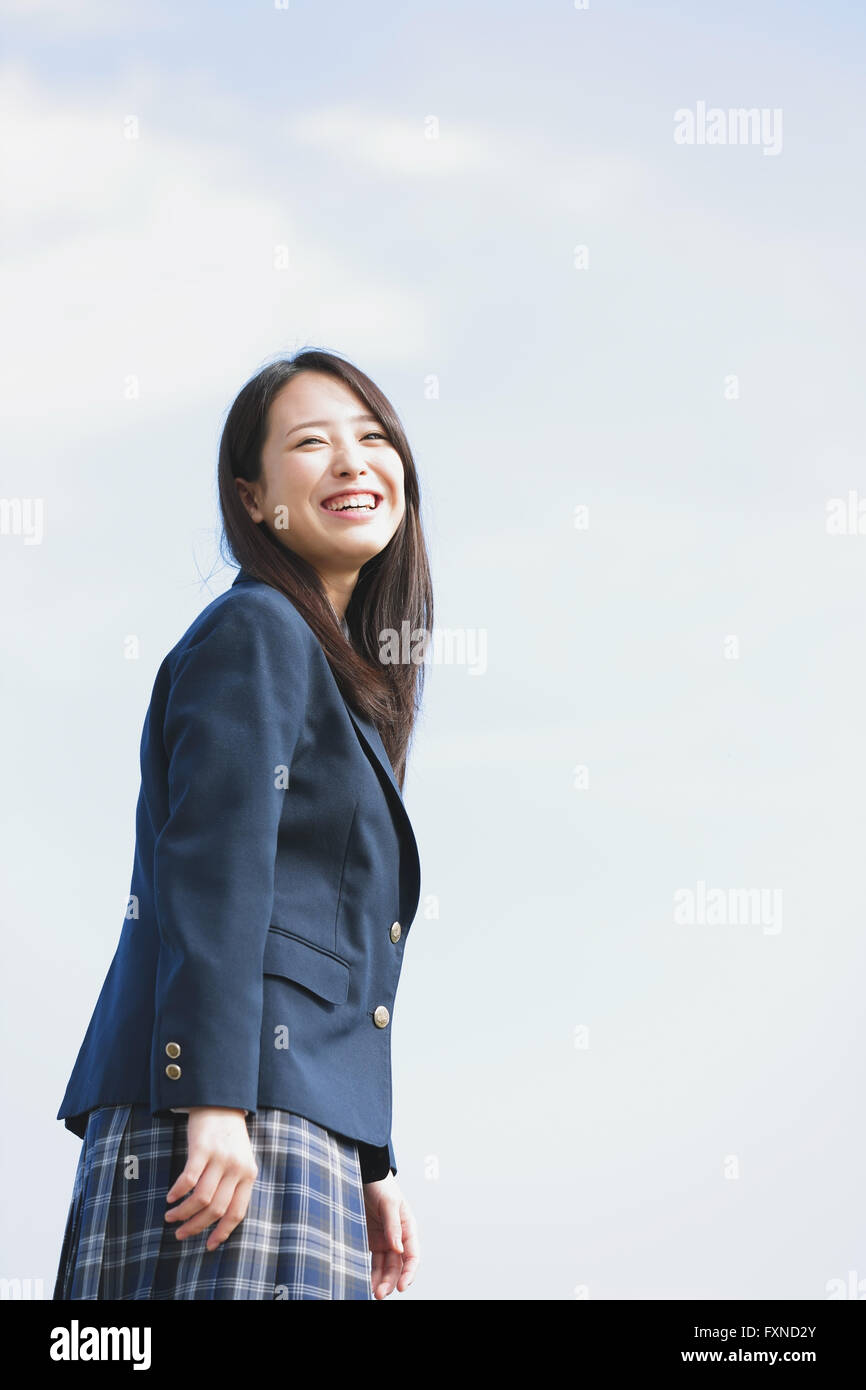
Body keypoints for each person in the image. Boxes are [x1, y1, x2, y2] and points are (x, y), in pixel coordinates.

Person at [52, 348, 433, 1300]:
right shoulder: (257, 631)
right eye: (312, 443)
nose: (353, 462)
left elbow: (318, 931)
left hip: (295, 1124)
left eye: (373, 438)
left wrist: (369, 1155)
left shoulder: (331, 670)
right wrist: (213, 1098)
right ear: (254, 499)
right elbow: (216, 879)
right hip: (229, 1119)